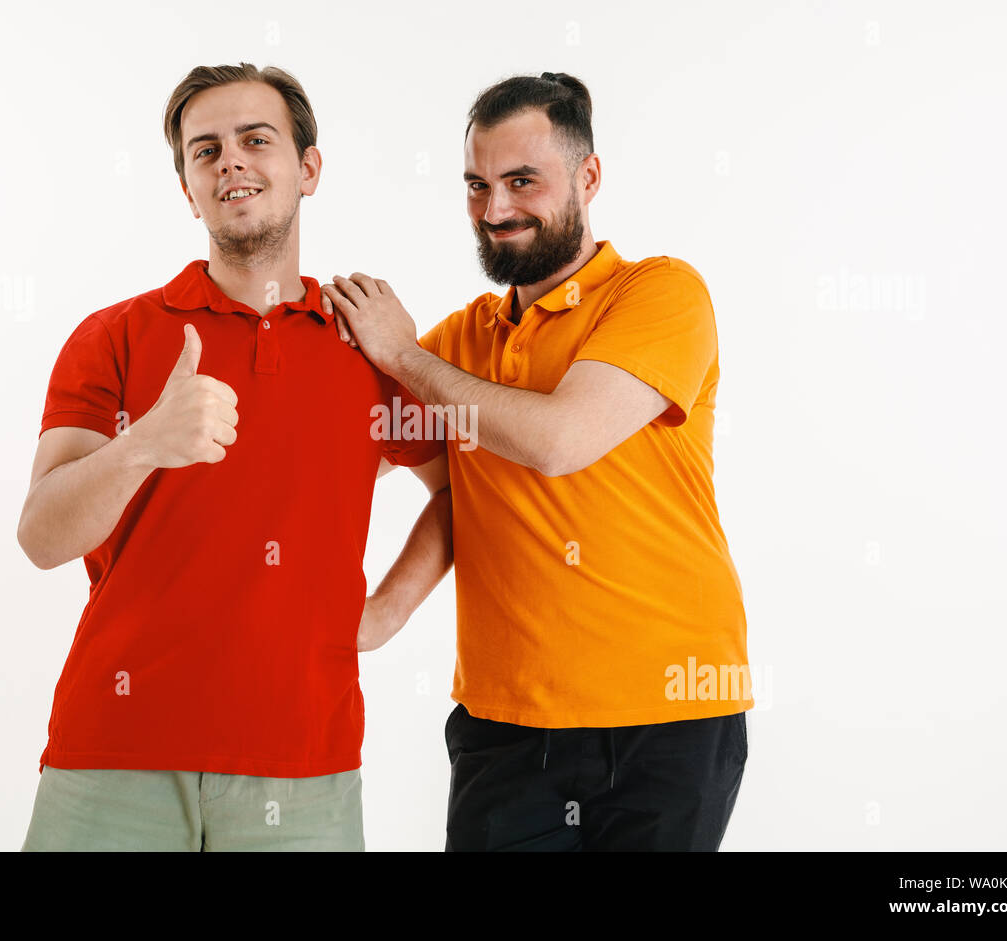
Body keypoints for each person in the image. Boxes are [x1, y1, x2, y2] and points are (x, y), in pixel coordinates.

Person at [16, 63, 450, 852]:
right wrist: (145, 441)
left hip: (304, 766)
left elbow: (462, 488)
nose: (231, 163)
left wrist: (386, 613)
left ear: (308, 168)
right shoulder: (112, 335)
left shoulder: (372, 347)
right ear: (187, 186)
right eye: (204, 150)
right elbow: (43, 535)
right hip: (115, 752)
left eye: (257, 140)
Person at [321, 71, 753, 851]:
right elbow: (377, 471)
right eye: (477, 185)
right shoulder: (459, 342)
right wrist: (377, 612)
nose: (495, 210)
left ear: (588, 177)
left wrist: (400, 355)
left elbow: (559, 440)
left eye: (522, 181)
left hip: (671, 720)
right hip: (506, 726)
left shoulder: (660, 294)